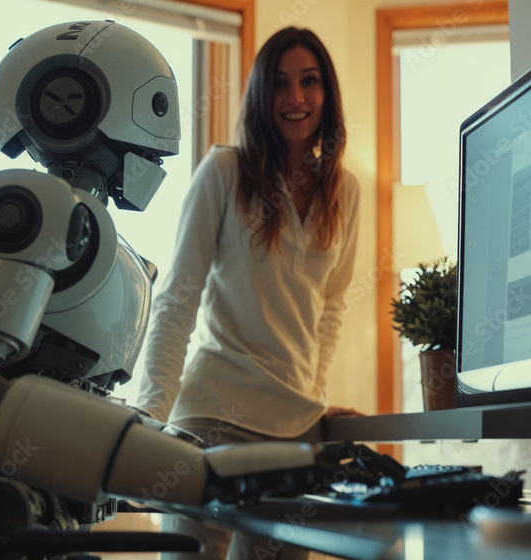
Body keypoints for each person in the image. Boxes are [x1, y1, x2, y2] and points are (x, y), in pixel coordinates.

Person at [135, 26, 361, 560]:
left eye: (310, 82)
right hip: (212, 419)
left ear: (327, 94)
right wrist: (147, 424)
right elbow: (176, 299)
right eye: (280, 84)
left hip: (294, 432)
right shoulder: (223, 172)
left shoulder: (344, 192)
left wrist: (315, 401)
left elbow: (330, 309)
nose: (296, 98)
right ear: (262, 94)